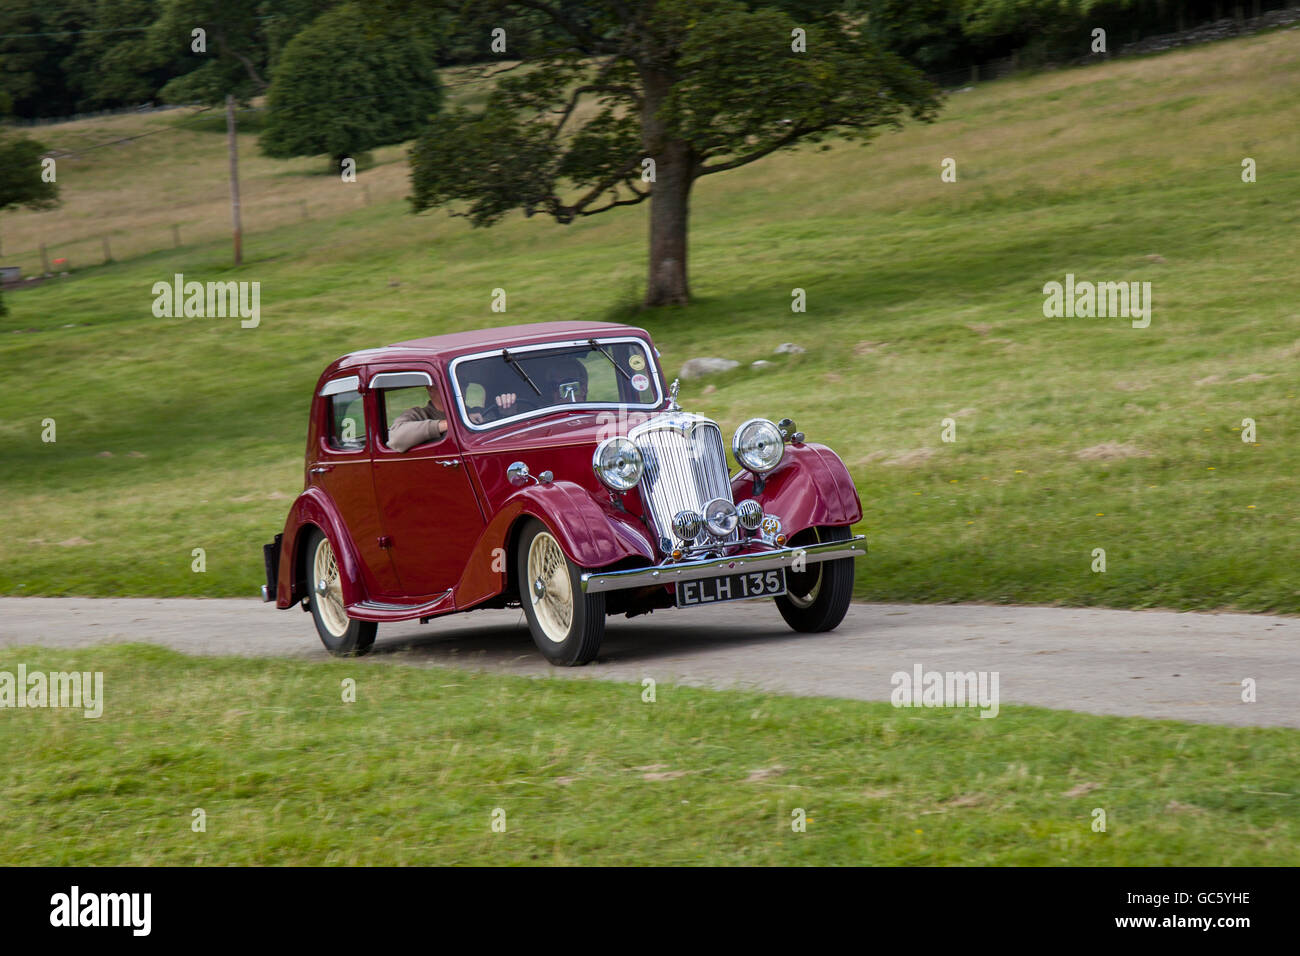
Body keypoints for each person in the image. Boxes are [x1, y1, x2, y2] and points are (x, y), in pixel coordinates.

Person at [388, 384, 518, 452]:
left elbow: (509, 437)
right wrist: (450, 424)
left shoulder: (478, 412)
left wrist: (507, 411)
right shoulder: (419, 414)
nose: (460, 388)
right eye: (447, 384)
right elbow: (396, 438)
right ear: (430, 388)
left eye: (463, 383)